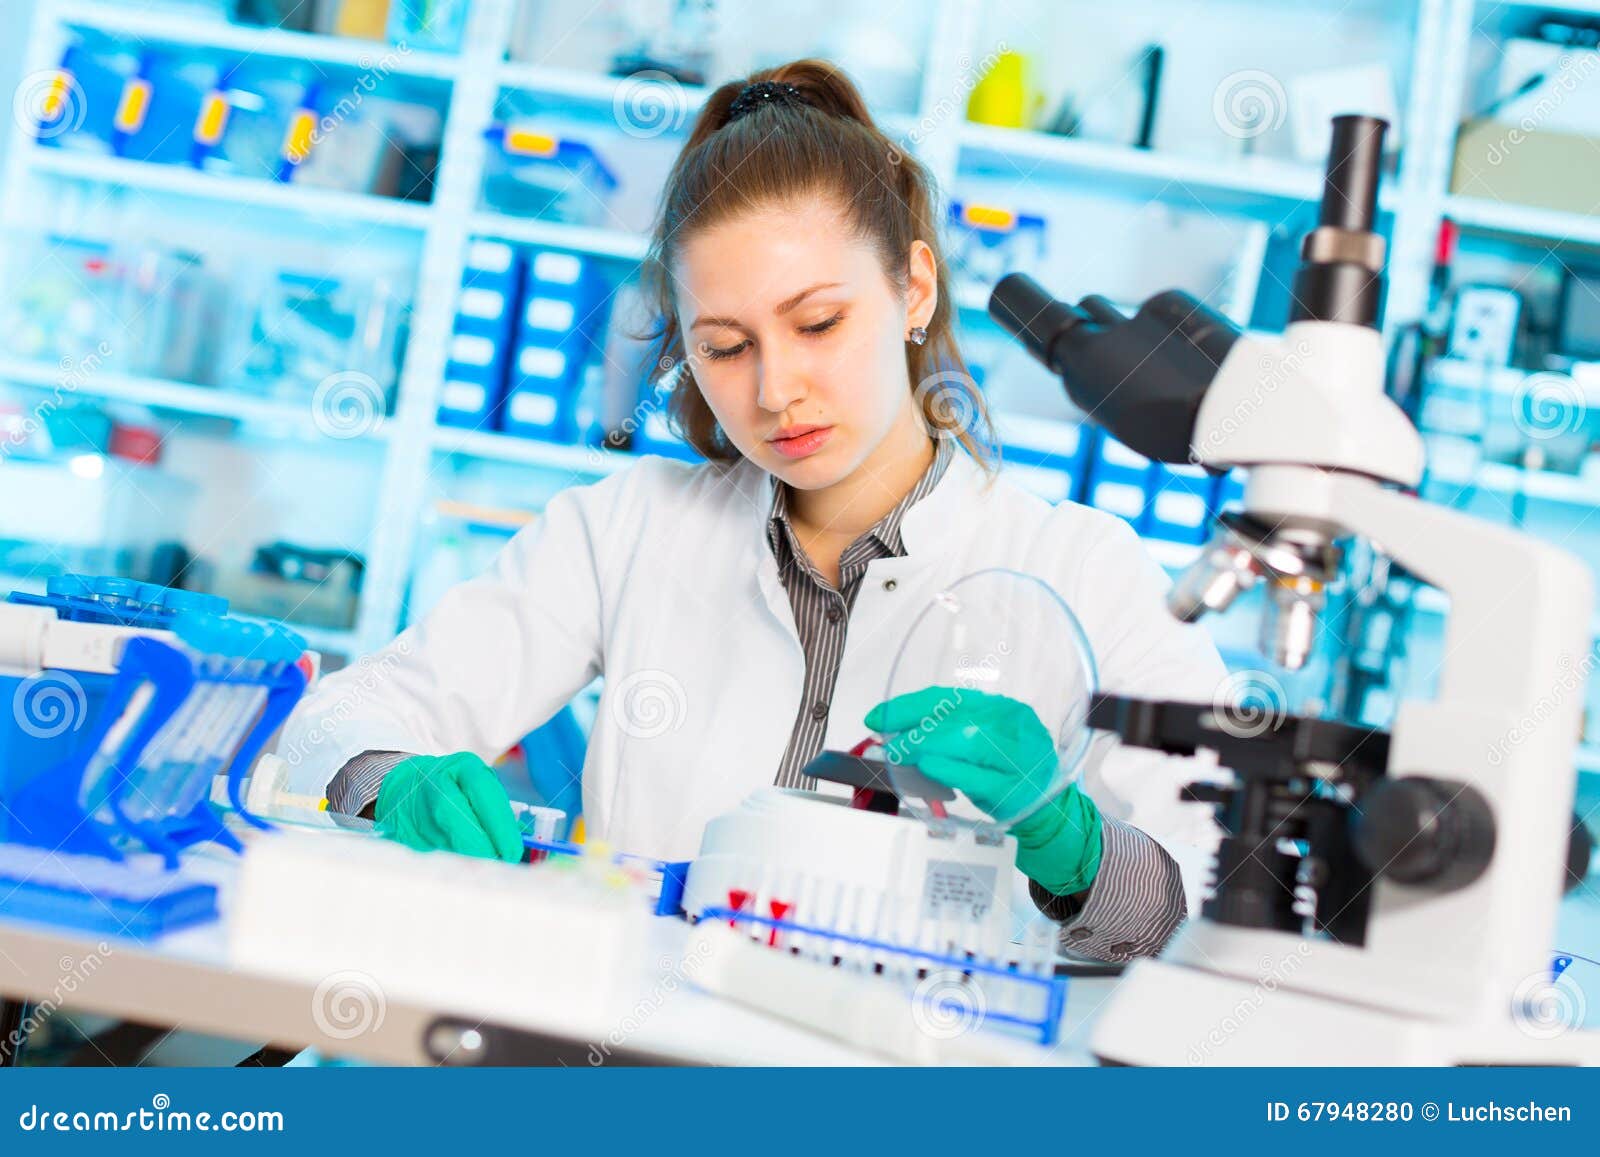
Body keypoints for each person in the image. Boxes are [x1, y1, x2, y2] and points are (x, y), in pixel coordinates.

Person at [276, 60, 1227, 962]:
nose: (776, 390)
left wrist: (1070, 839)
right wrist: (388, 778)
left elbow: (1209, 910)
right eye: (726, 346)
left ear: (914, 288)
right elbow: (337, 719)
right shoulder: (626, 528)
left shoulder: (1084, 569)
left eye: (818, 324)